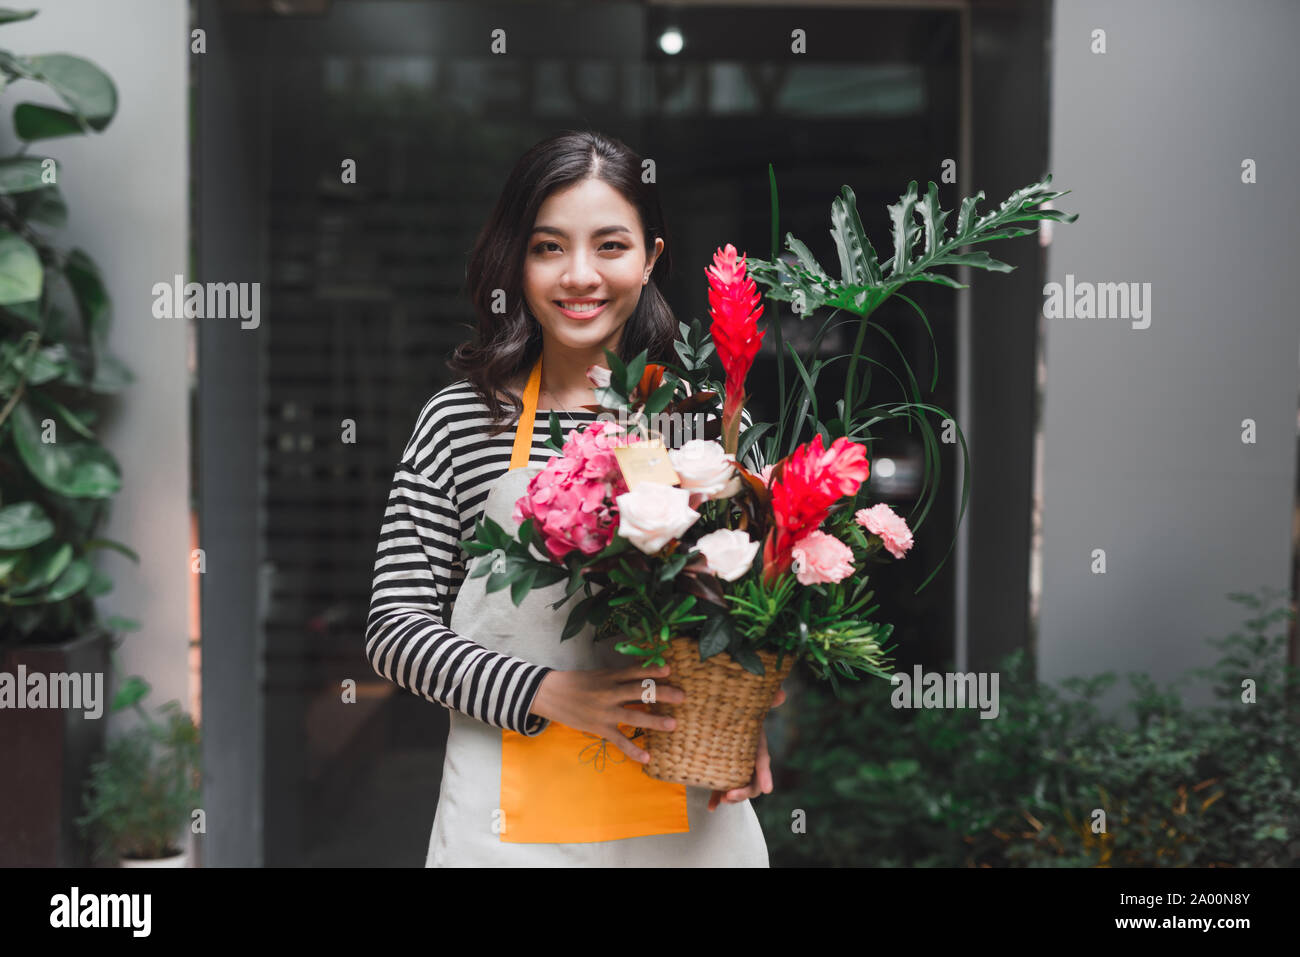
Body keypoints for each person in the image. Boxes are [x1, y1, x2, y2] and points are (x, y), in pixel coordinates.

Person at [365, 129, 784, 866]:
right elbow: (394, 633)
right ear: (515, 260)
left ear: (651, 256)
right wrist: (552, 692)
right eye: (549, 246)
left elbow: (756, 613)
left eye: (611, 246)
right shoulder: (464, 418)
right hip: (506, 829)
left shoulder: (700, 418)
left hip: (685, 815)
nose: (579, 275)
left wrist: (747, 710)